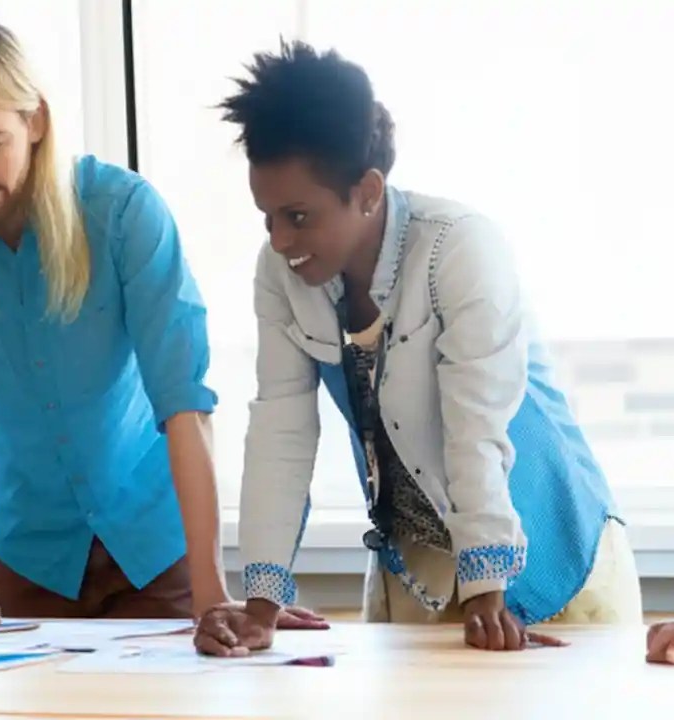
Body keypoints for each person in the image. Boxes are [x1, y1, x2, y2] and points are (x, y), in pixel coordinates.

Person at [0, 22, 325, 627]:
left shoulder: (124, 212)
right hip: (32, 557)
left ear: (36, 121)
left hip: (152, 547)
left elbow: (183, 403)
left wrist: (211, 595)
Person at [195, 41, 641, 656]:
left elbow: (475, 427)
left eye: (297, 216)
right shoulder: (281, 275)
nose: (279, 240)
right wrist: (261, 604)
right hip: (419, 574)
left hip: (551, 555)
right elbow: (280, 428)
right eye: (266, 217)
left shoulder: (459, 248)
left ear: (368, 191)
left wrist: (486, 587)